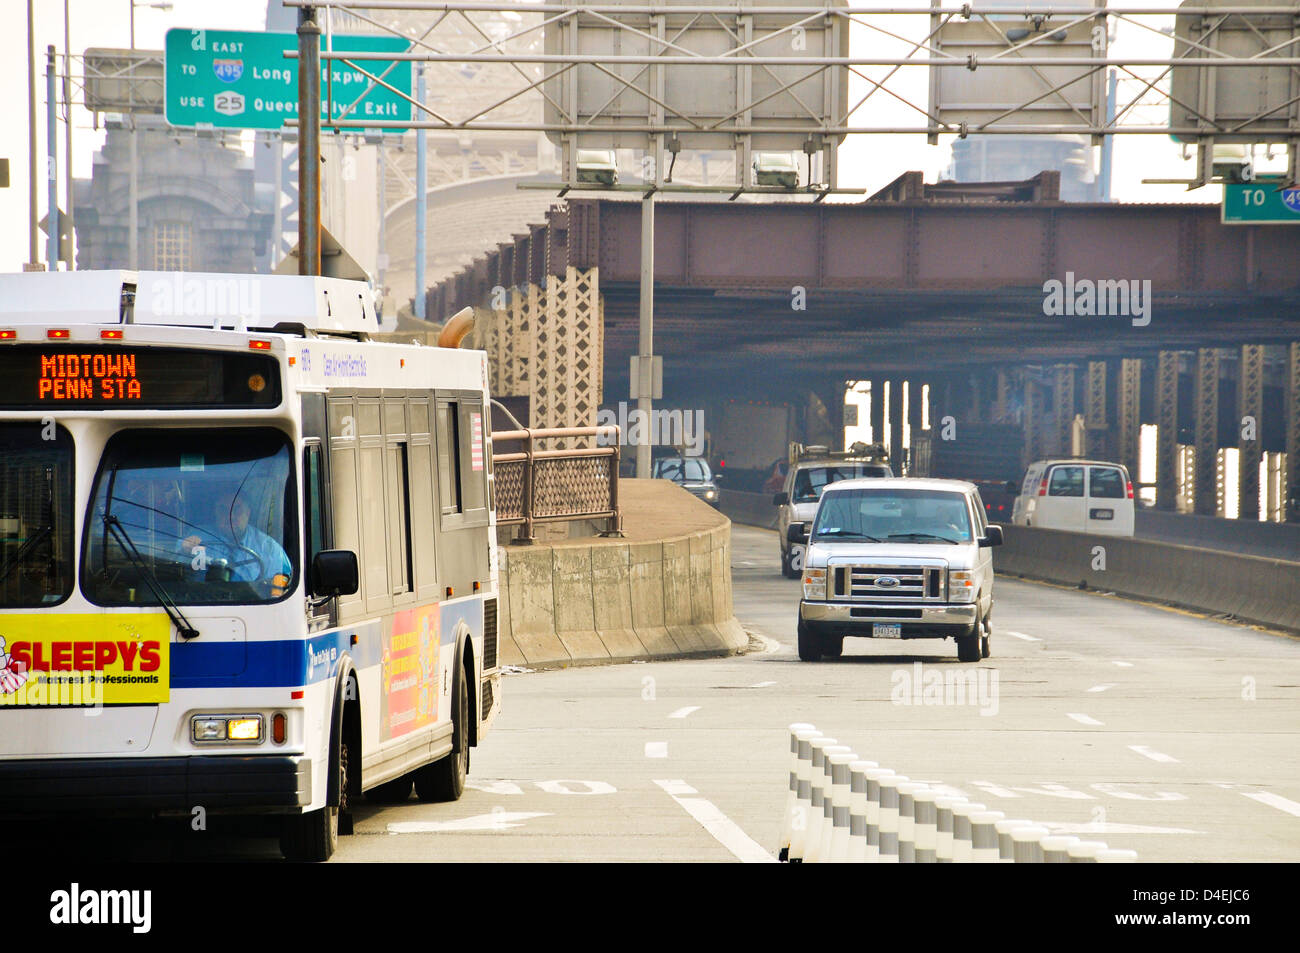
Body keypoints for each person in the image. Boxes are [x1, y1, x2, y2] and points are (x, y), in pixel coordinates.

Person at [181, 493, 291, 585]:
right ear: (215, 512)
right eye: (223, 510)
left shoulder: (268, 547)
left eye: (237, 510)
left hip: (252, 605)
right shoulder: (198, 536)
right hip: (202, 603)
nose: (230, 516)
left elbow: (284, 584)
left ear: (248, 513)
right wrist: (184, 549)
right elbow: (173, 563)